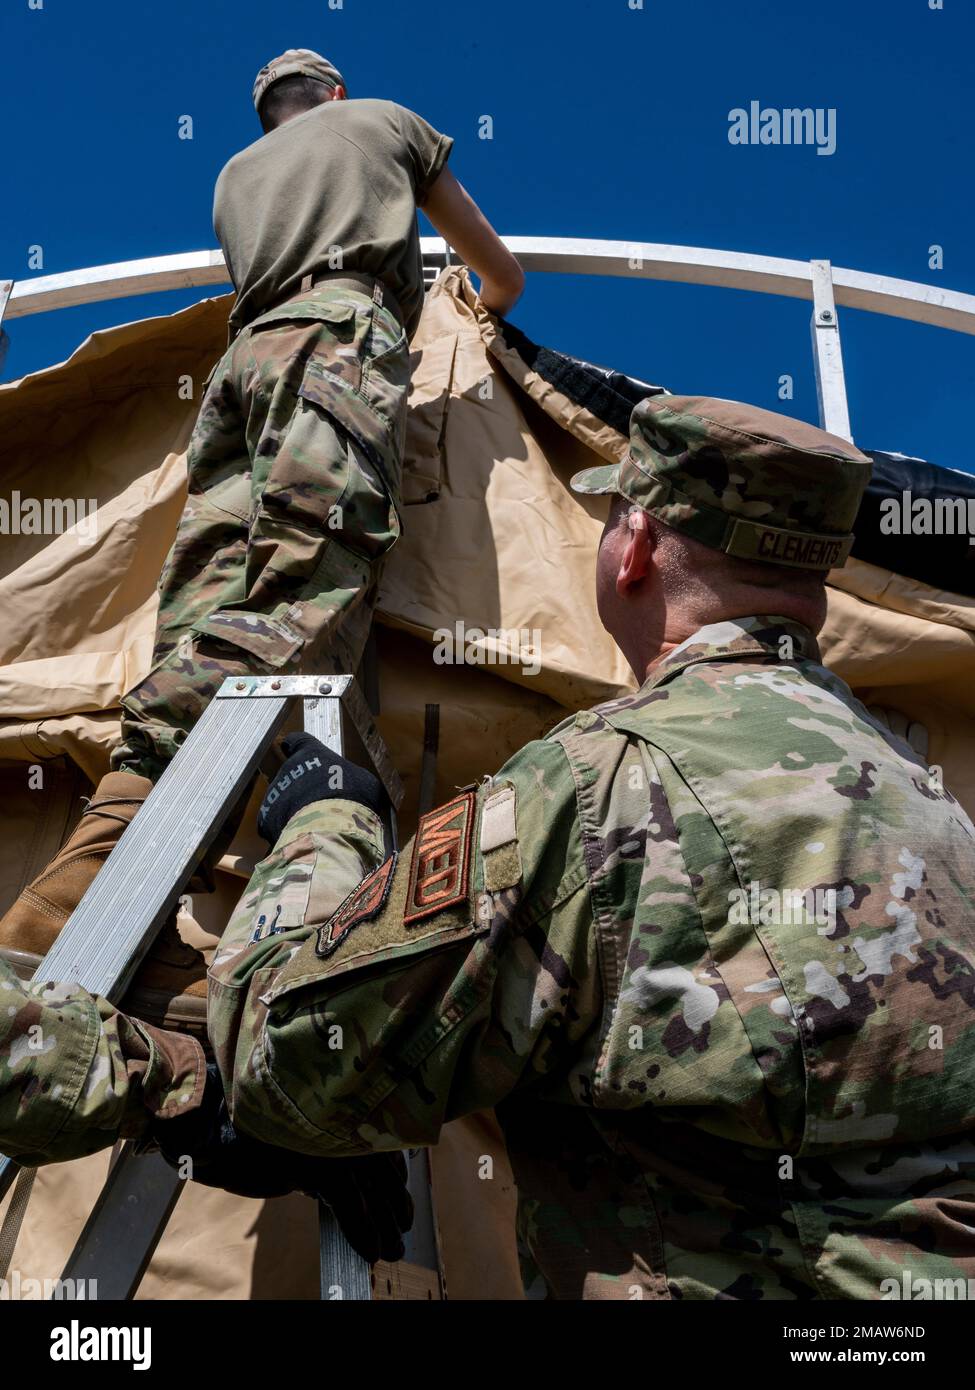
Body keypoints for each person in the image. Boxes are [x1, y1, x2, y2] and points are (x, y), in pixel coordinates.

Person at [4, 395, 975, 1299]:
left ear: (633, 549)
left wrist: (329, 817)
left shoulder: (596, 785)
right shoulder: (945, 817)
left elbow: (292, 1065)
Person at [0, 48, 524, 1026]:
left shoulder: (233, 178)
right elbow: (496, 265)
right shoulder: (384, 120)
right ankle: (96, 900)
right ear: (331, 94)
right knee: (306, 582)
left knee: (205, 601)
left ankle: (110, 902)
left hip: (241, 367)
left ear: (265, 113)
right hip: (336, 335)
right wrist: (484, 305)